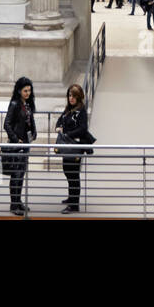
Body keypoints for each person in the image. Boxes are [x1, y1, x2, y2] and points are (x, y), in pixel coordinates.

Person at [55, 83, 93, 214]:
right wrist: (59, 127)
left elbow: (83, 129)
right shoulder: (68, 109)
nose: (71, 98)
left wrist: (66, 133)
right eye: (70, 95)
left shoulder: (81, 111)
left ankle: (74, 205)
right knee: (67, 171)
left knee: (73, 175)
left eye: (74, 96)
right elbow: (59, 121)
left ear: (79, 97)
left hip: (75, 148)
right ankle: (71, 198)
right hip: (68, 147)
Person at [3, 76, 38, 215]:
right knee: (16, 174)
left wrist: (34, 133)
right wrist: (16, 139)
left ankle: (18, 201)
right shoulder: (15, 104)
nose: (28, 93)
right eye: (25, 91)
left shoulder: (27, 104)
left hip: (26, 144)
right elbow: (6, 124)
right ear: (19, 91)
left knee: (21, 174)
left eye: (29, 90)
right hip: (17, 145)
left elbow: (29, 122)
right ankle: (14, 205)